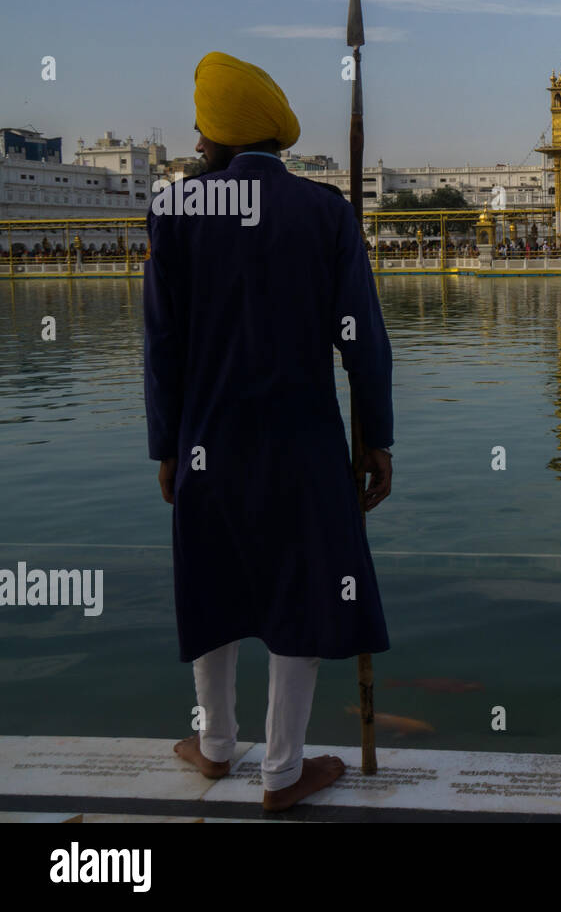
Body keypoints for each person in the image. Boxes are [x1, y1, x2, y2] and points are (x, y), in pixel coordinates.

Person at [145, 51, 394, 812]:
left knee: (211, 580)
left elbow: (163, 343)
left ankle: (215, 745)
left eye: (200, 124)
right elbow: (364, 339)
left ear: (219, 136)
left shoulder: (176, 210)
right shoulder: (325, 213)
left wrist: (165, 445)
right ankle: (282, 769)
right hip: (306, 440)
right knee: (302, 586)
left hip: (205, 440)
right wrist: (375, 437)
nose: (193, 136)